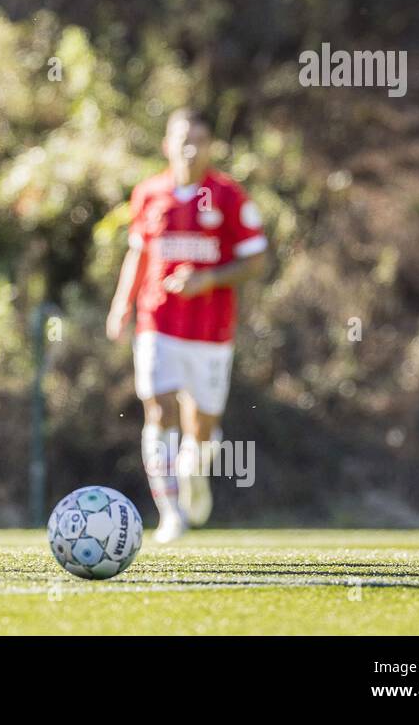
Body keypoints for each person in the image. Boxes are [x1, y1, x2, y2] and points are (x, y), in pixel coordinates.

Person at [106, 109, 270, 542]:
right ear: (167, 144)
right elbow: (138, 254)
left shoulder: (229, 196)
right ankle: (170, 513)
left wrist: (209, 279)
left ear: (211, 145)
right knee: (159, 410)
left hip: (211, 333)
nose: (190, 148)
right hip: (156, 323)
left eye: (199, 139)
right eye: (183, 139)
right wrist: (122, 304)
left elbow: (256, 261)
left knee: (202, 427)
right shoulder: (148, 193)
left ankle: (194, 474)